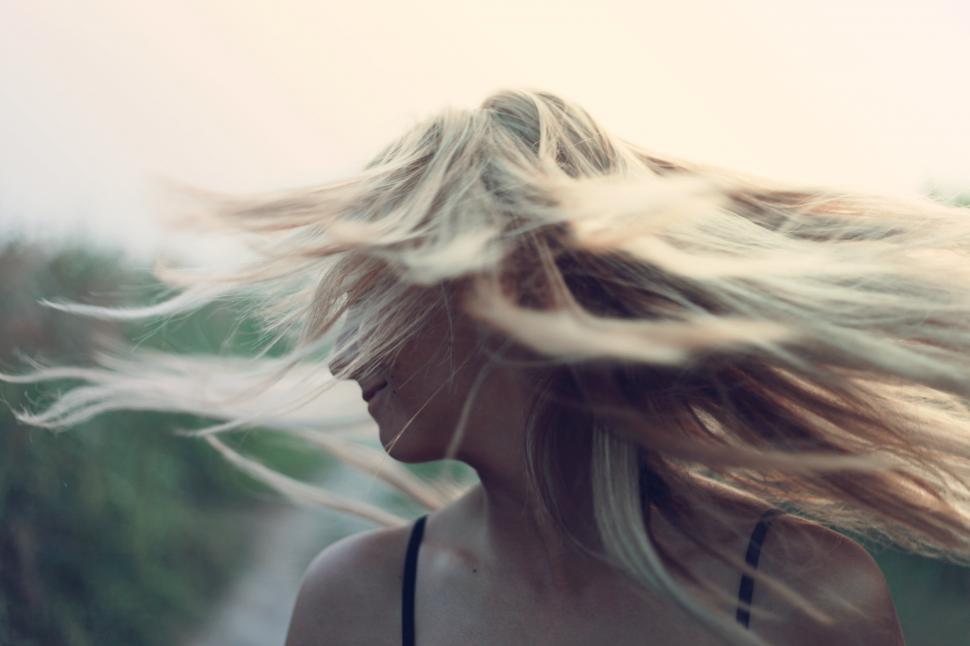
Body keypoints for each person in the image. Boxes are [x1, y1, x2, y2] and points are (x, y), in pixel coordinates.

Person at [6, 88, 970, 645]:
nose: (342, 358)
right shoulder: (357, 606)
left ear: (511, 290)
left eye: (375, 302)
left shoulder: (806, 600)